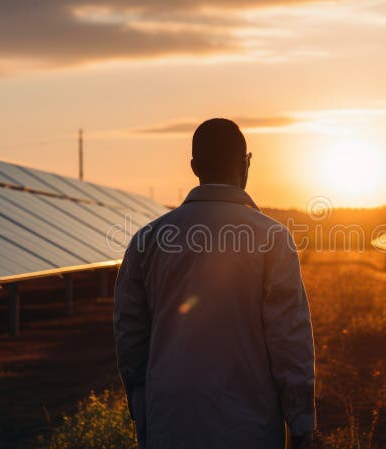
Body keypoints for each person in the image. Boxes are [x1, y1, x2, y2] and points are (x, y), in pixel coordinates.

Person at [114, 118, 315, 449]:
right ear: (245, 163)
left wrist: (143, 406)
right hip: (251, 429)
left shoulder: (146, 241)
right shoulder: (272, 239)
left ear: (194, 167)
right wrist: (301, 423)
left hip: (170, 425)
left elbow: (129, 336)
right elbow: (289, 339)